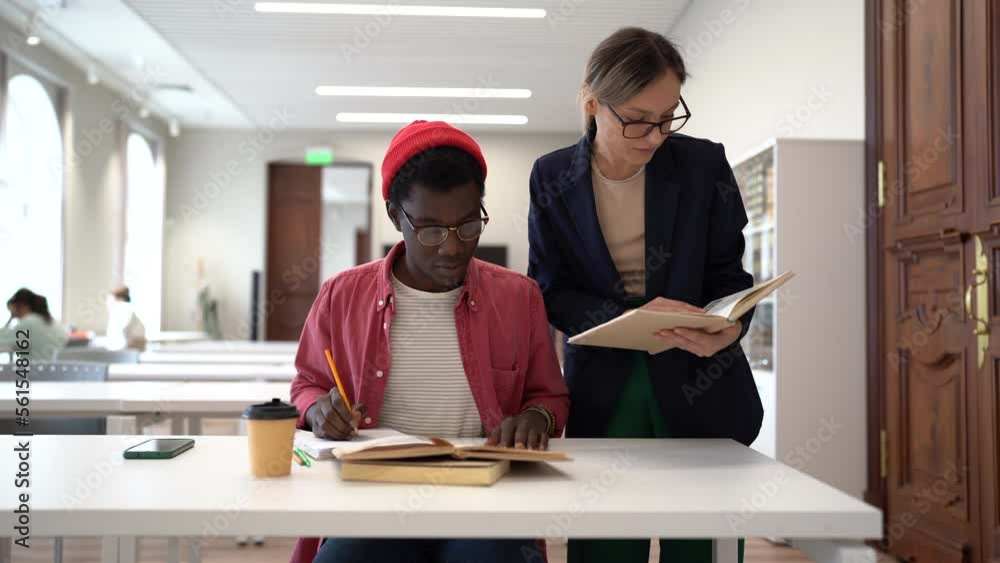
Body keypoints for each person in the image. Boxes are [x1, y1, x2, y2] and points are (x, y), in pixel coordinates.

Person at [527, 27, 763, 563]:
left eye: (668, 117)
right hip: (605, 383)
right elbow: (550, 289)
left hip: (700, 378)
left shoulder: (703, 164)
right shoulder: (552, 176)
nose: (655, 136)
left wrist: (730, 327)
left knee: (702, 548)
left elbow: (730, 275)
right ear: (592, 104)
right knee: (607, 547)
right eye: (636, 119)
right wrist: (630, 317)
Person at [289, 120, 569, 563]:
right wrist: (317, 408)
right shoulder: (342, 295)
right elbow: (306, 383)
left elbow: (549, 396)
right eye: (431, 230)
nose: (453, 248)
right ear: (394, 215)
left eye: (468, 224)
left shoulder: (519, 298)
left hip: (485, 494)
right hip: (374, 495)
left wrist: (536, 417)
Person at [1, 288, 67, 360]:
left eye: (11, 310)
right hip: (54, 369)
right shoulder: (53, 322)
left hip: (32, 369)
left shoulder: (28, 322)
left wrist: (9, 320)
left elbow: (5, 342)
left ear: (20, 306)